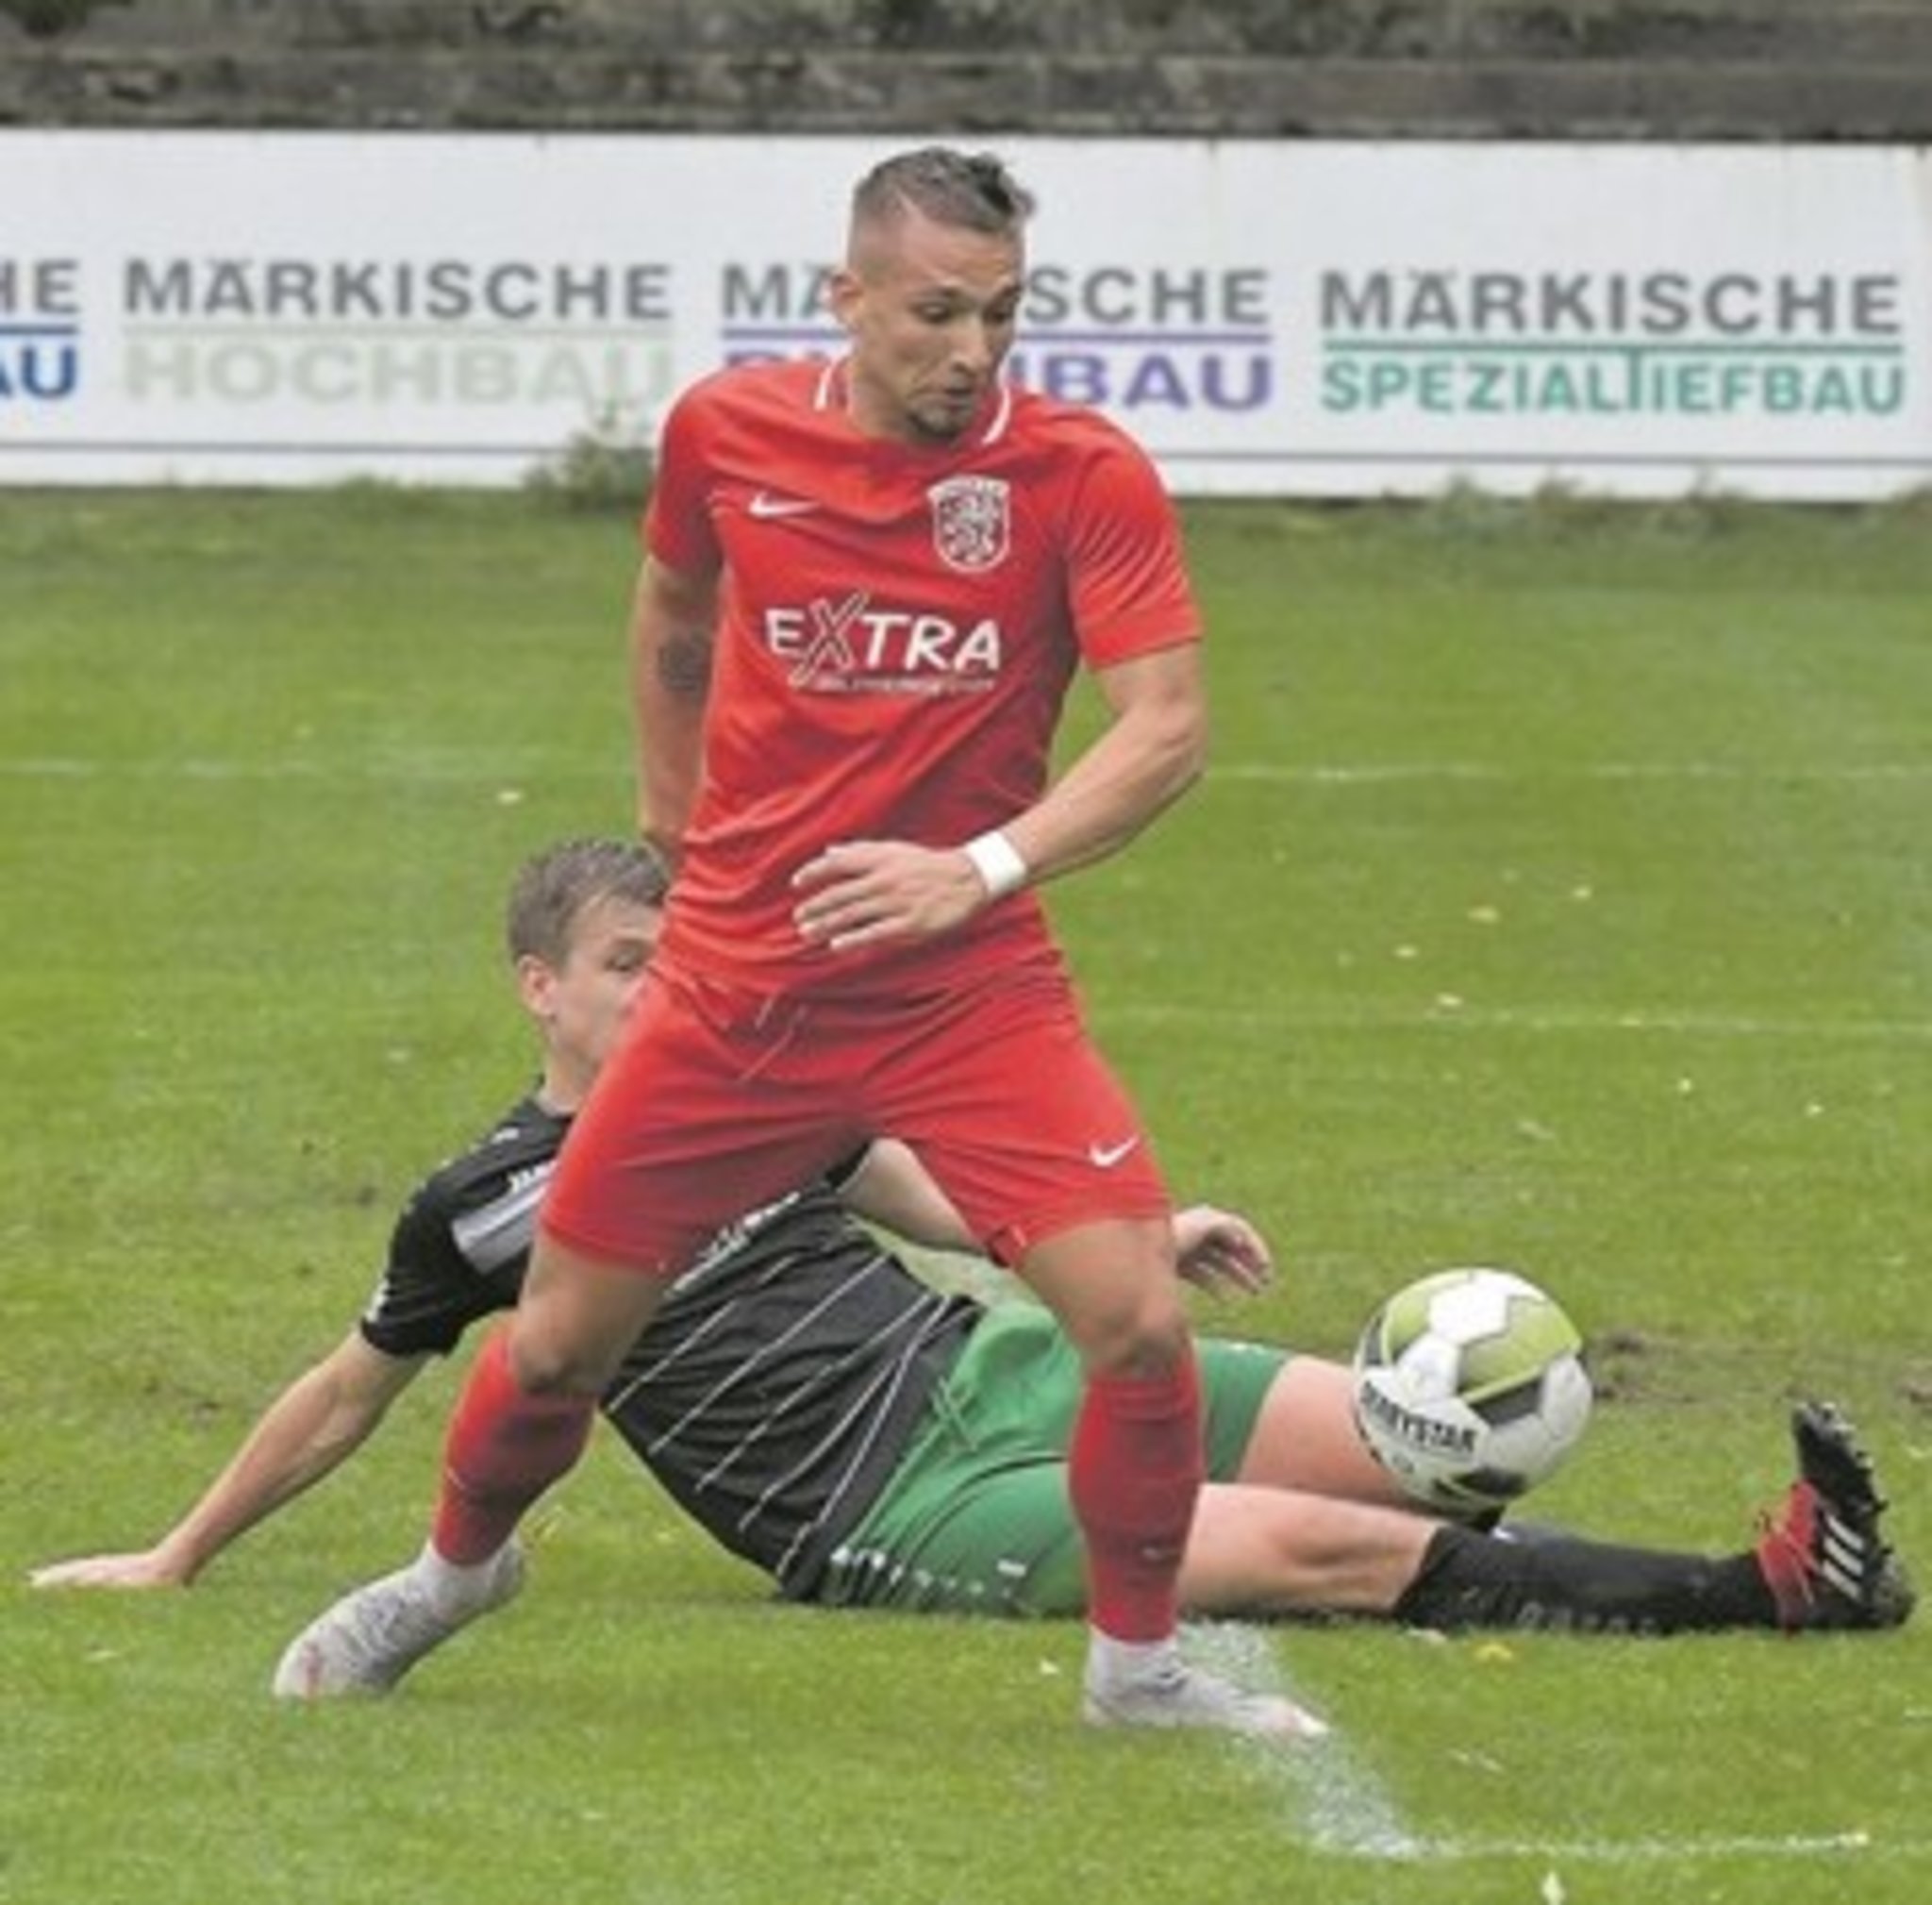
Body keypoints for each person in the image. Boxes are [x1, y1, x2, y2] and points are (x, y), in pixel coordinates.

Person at [265, 142, 1321, 1737]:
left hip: (968, 994)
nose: (972, 352)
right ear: (847, 298)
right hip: (738, 996)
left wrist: (977, 869)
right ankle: (451, 1577)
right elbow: (675, 607)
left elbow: (1164, 728)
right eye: (937, 313)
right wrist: (670, 810)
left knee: (1138, 1328)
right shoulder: (726, 432)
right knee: (553, 1355)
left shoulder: (1078, 472)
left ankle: (1138, 1672)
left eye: (1003, 315)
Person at [35, 839, 1914, 1660]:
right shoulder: (484, 1203)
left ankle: (1589, 1570)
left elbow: (949, 1195)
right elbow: (349, 1386)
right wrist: (178, 1550)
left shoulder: (765, 1088)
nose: (664, 989)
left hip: (999, 1372)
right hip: (894, 1503)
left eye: (681, 956)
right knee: (1319, 1552)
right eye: (625, 965)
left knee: (1392, 1440)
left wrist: (1142, 1232)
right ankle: (1766, 1589)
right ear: (540, 985)